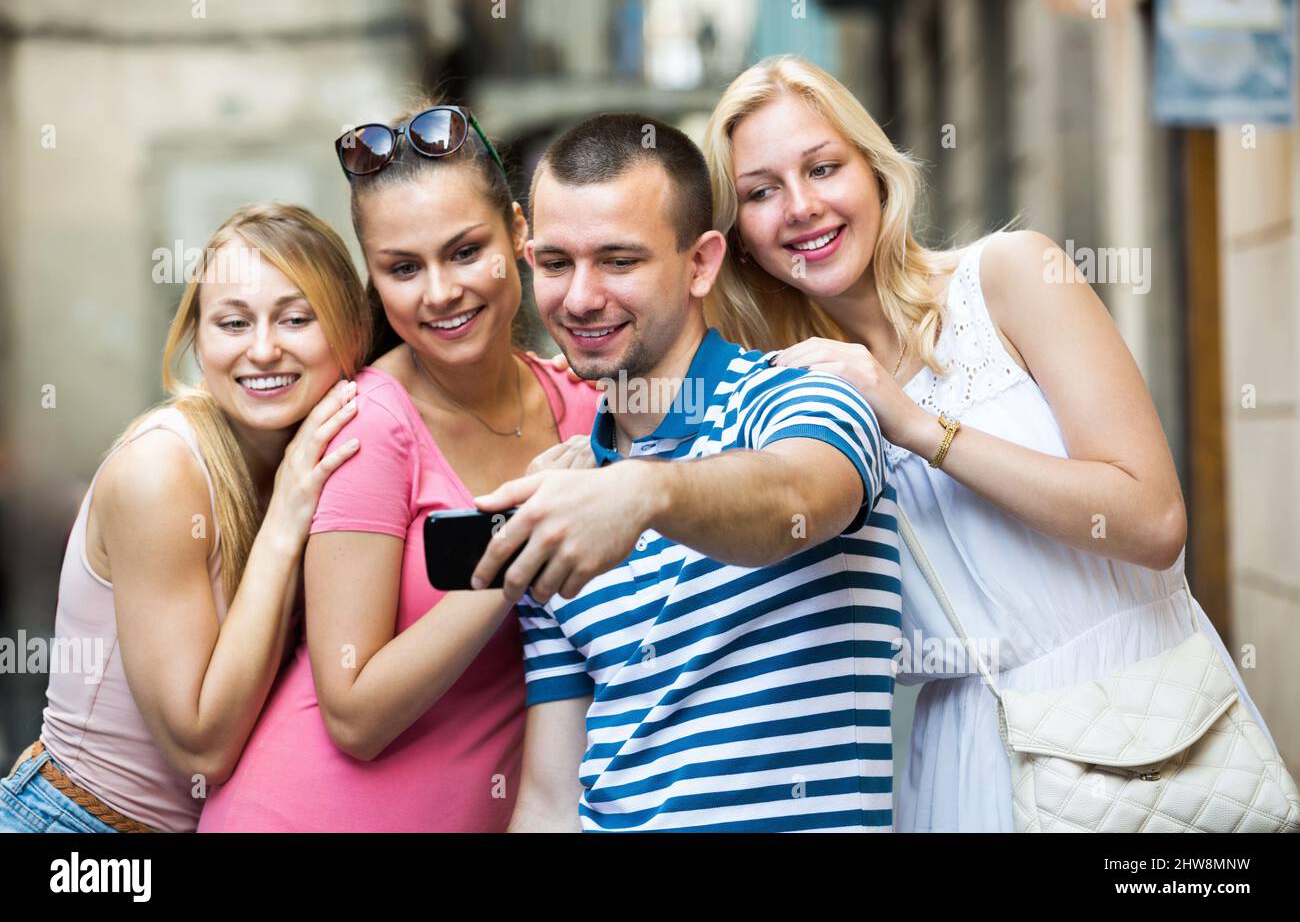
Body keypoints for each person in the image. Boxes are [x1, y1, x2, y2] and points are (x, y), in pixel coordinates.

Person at [700, 53, 1278, 831]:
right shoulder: (789, 398)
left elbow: (1153, 523)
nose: (801, 206)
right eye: (761, 193)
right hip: (966, 762)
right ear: (737, 240)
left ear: (875, 174)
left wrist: (910, 423)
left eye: (824, 167)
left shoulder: (1011, 276)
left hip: (1148, 729)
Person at [477, 113, 902, 833]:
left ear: (701, 263)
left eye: (619, 261)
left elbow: (798, 493)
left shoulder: (800, 398)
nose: (579, 298)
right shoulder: (562, 499)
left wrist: (645, 493)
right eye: (554, 263)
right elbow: (549, 797)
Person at [197, 100, 600, 832]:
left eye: (465, 251)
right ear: (374, 279)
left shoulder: (585, 406)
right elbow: (353, 713)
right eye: (404, 268)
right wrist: (524, 541)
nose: (441, 292)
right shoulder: (371, 425)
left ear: (518, 233)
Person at [1, 203, 369, 832]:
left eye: (296, 318)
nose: (263, 349)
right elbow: (203, 748)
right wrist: (283, 519)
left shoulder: (320, 455)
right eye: (233, 322)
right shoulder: (164, 470)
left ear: (350, 332)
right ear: (198, 339)